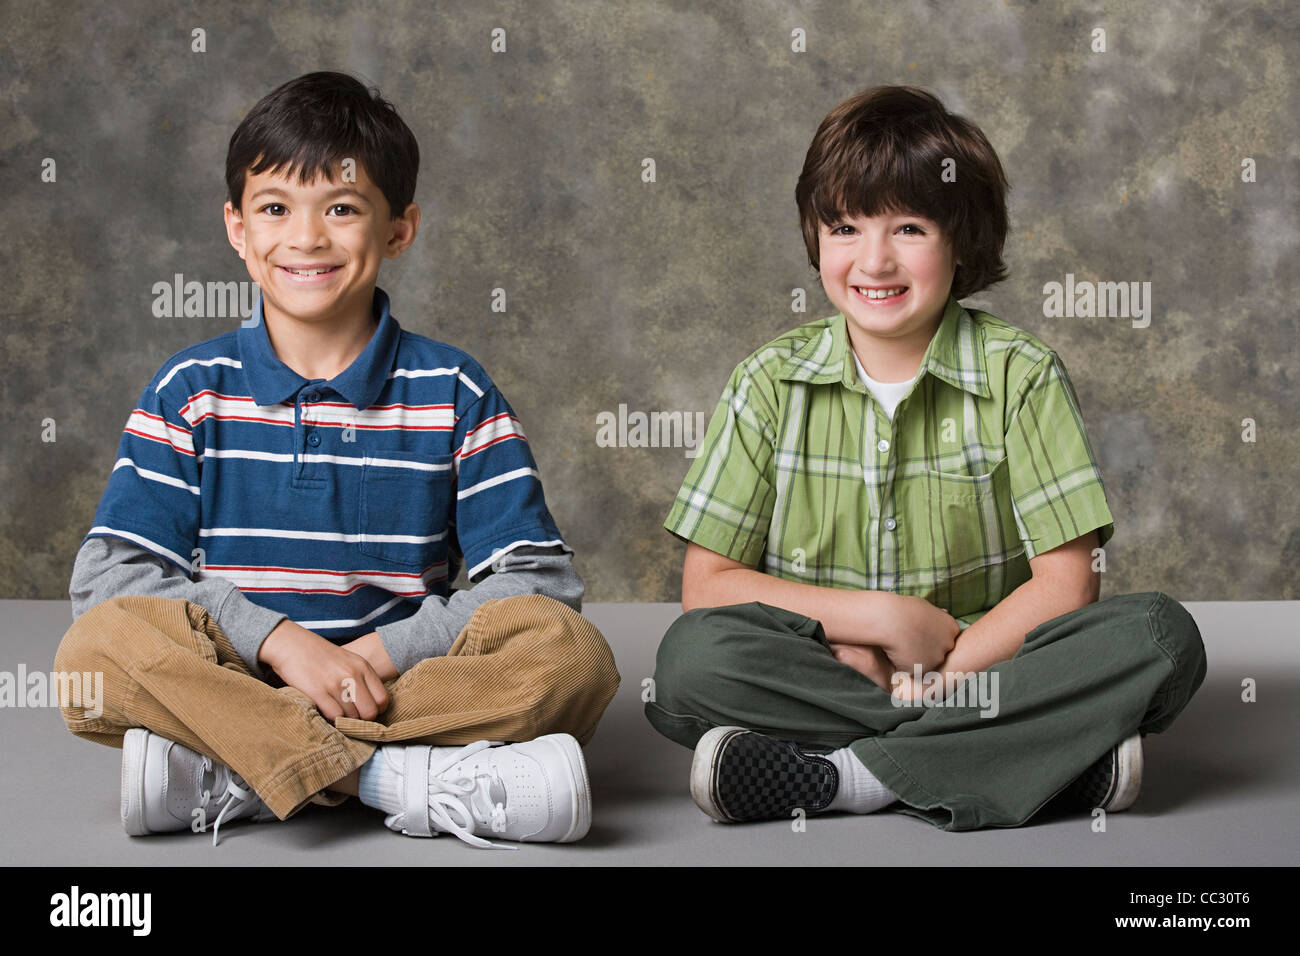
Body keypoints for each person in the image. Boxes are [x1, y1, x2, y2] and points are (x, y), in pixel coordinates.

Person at [54, 71, 620, 850]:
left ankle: (248, 772)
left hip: (396, 687)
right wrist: (282, 643)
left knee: (572, 658)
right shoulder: (191, 390)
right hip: (238, 679)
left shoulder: (452, 389)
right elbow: (109, 579)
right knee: (92, 652)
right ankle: (392, 780)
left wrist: (374, 656)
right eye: (276, 208)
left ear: (399, 229)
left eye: (343, 209)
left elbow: (539, 582)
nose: (307, 238)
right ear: (237, 228)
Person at [646, 86, 1206, 831]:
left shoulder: (1022, 375)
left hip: (992, 667)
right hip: (834, 667)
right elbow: (709, 585)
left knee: (1161, 639)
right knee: (690, 663)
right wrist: (879, 620)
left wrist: (949, 674)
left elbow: (1069, 585)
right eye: (845, 226)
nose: (873, 259)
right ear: (815, 238)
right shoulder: (767, 382)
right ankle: (1043, 761)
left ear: (962, 241)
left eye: (908, 227)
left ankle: (847, 777)